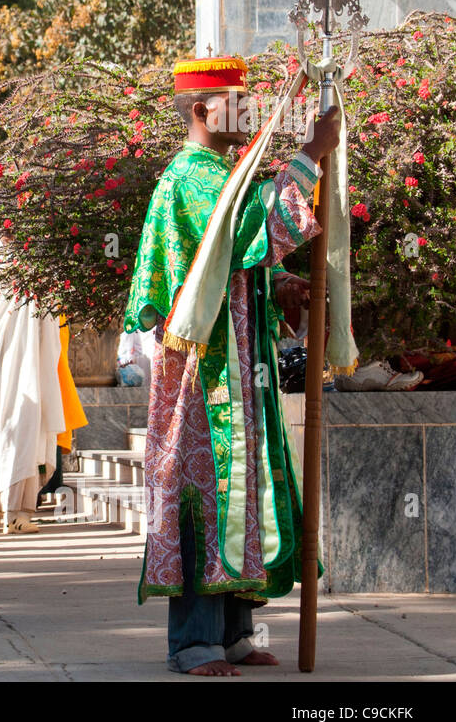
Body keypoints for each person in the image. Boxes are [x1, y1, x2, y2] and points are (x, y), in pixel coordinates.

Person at [124, 56, 341, 676]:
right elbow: (249, 228)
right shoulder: (191, 177)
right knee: (204, 490)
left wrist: (277, 287)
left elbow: (235, 263)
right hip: (201, 370)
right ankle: (194, 642)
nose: (249, 113)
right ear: (200, 110)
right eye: (236, 102)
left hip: (241, 363)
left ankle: (236, 632)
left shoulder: (225, 171)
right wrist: (309, 156)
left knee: (245, 489)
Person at [0, 229, 66, 535]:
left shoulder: (36, 259)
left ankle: (22, 510)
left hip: (27, 363)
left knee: (26, 429)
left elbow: (50, 311)